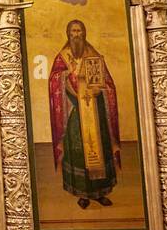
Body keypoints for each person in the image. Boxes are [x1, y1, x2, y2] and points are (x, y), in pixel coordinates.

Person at [48, 20, 122, 209]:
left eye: (79, 30)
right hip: (74, 109)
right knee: (78, 150)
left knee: (101, 148)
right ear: (68, 34)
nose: (77, 34)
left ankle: (101, 191)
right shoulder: (62, 57)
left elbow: (108, 83)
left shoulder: (94, 55)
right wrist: (67, 76)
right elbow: (54, 81)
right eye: (73, 31)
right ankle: (82, 193)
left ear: (84, 33)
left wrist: (101, 89)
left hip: (95, 112)